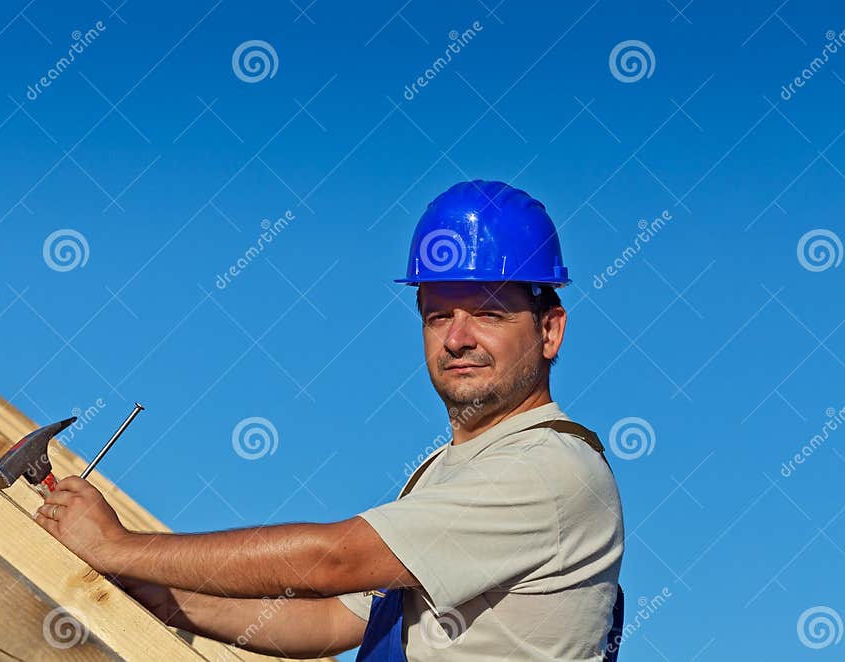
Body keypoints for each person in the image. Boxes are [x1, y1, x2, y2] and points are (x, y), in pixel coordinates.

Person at [35, 180, 624, 660]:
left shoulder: (549, 470)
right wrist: (153, 589)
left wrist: (118, 546)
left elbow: (331, 560)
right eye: (438, 315)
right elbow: (330, 622)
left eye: (489, 314)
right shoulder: (446, 473)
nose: (457, 338)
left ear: (549, 331)